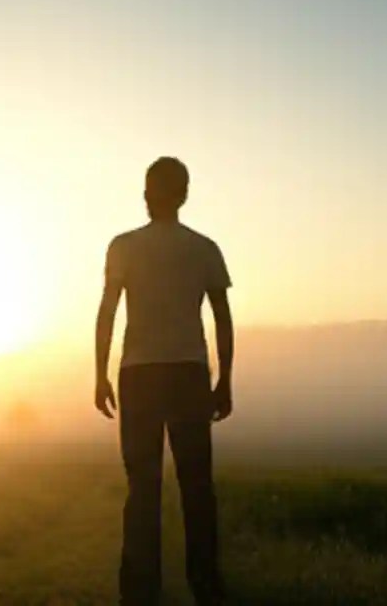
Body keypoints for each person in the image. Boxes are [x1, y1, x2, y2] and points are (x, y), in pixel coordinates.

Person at [94, 156, 233, 606]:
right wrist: (225, 378)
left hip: (139, 375)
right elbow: (222, 319)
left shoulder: (123, 246)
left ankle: (139, 593)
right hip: (189, 374)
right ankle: (205, 585)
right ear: (185, 194)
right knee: (197, 487)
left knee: (143, 489)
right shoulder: (205, 248)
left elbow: (108, 313)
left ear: (148, 193)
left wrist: (99, 374)